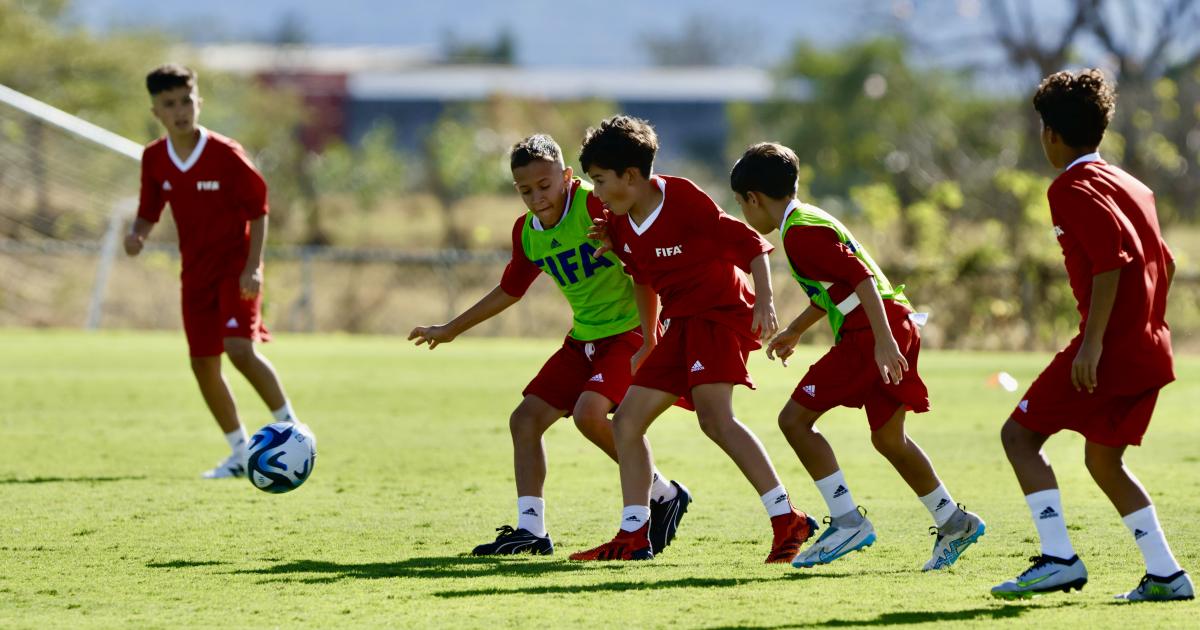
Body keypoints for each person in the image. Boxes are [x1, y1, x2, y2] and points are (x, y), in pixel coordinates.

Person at [408, 134, 690, 556]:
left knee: (588, 414)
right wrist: (451, 328)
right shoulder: (528, 232)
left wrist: (657, 323)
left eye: (545, 185)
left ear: (567, 177)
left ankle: (647, 511)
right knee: (525, 420)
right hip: (584, 339)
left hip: (629, 333)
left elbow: (645, 241)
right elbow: (510, 289)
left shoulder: (596, 205)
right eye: (526, 190)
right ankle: (532, 530)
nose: (537, 197)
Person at [569, 116, 816, 563]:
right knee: (626, 420)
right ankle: (633, 535)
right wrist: (648, 339)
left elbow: (751, 244)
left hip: (721, 313)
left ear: (631, 175)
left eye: (601, 181)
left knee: (715, 419)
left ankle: (787, 519)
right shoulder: (617, 224)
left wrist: (765, 301)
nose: (598, 193)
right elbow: (642, 278)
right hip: (680, 324)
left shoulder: (680, 198)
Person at [729, 142, 984, 571]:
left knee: (793, 420)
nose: (743, 214)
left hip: (872, 333)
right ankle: (953, 521)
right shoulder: (808, 219)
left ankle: (848, 521)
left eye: (741, 205)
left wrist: (882, 341)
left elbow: (862, 279)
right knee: (888, 439)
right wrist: (795, 329)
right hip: (888, 324)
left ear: (753, 198)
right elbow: (836, 289)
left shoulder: (800, 233)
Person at [991, 69, 1191, 601]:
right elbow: (1164, 263)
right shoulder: (1133, 183)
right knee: (1104, 460)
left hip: (1109, 351)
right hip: (1151, 348)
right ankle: (1167, 574)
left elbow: (1112, 262)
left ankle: (1058, 558)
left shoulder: (1071, 188)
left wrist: (1096, 342)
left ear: (1051, 134)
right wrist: (1148, 324)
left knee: (1019, 437)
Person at [126, 64, 301, 479]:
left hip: (235, 269)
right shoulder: (154, 159)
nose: (180, 110)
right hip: (195, 275)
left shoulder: (225, 154)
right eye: (170, 104)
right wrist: (137, 235)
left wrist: (253, 268)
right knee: (203, 363)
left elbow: (259, 210)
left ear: (198, 102)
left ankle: (292, 429)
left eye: (186, 101)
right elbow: (149, 210)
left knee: (239, 349)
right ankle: (240, 452)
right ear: (157, 112)